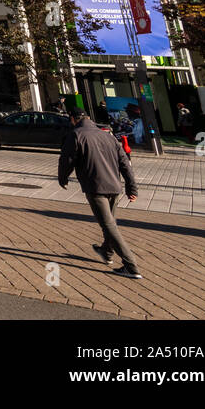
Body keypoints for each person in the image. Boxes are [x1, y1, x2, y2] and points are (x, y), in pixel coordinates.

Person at [57, 108, 142, 280]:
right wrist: (131, 188)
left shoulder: (76, 135)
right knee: (110, 222)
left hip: (96, 187)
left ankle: (131, 265)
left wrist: (63, 178)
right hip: (115, 187)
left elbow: (67, 159)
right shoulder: (108, 136)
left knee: (109, 225)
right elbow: (125, 164)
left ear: (73, 119)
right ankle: (106, 251)